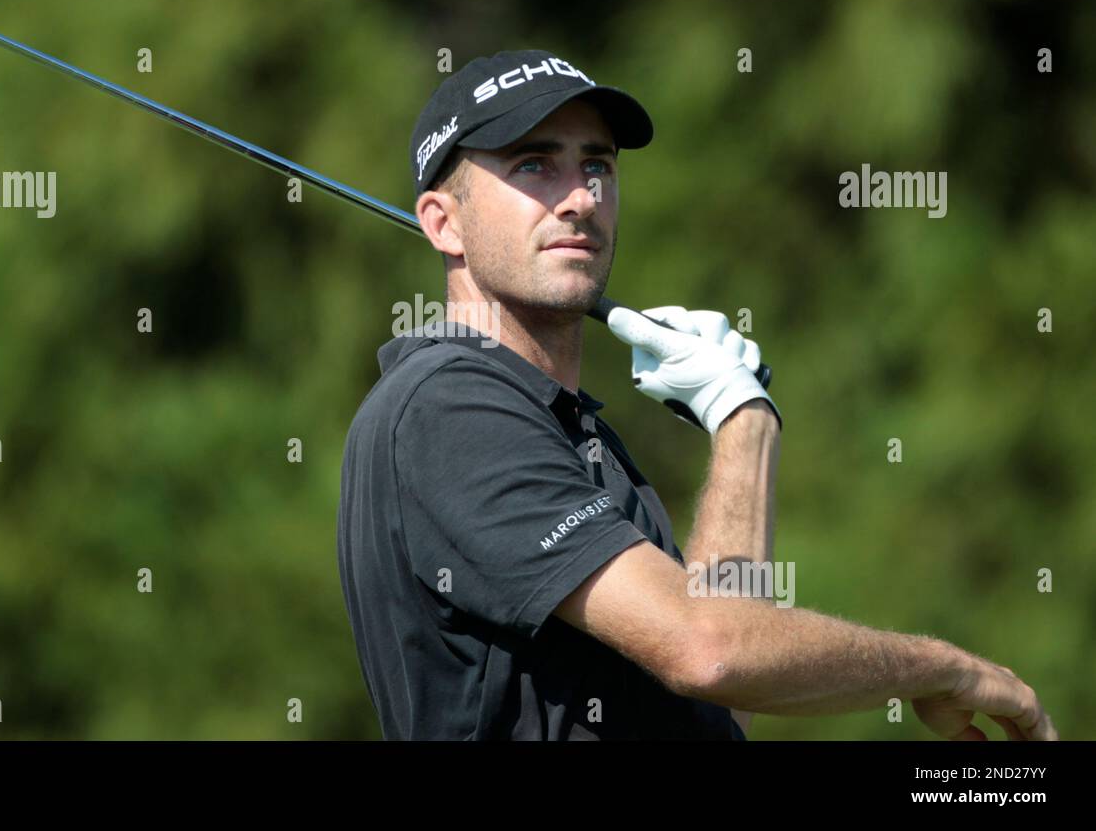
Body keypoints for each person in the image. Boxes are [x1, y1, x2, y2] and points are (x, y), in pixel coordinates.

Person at [336, 49, 1057, 741]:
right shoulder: (444, 405)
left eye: (597, 165)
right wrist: (940, 669)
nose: (580, 198)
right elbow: (708, 648)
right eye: (534, 164)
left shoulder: (578, 439)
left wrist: (742, 419)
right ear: (443, 222)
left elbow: (727, 692)